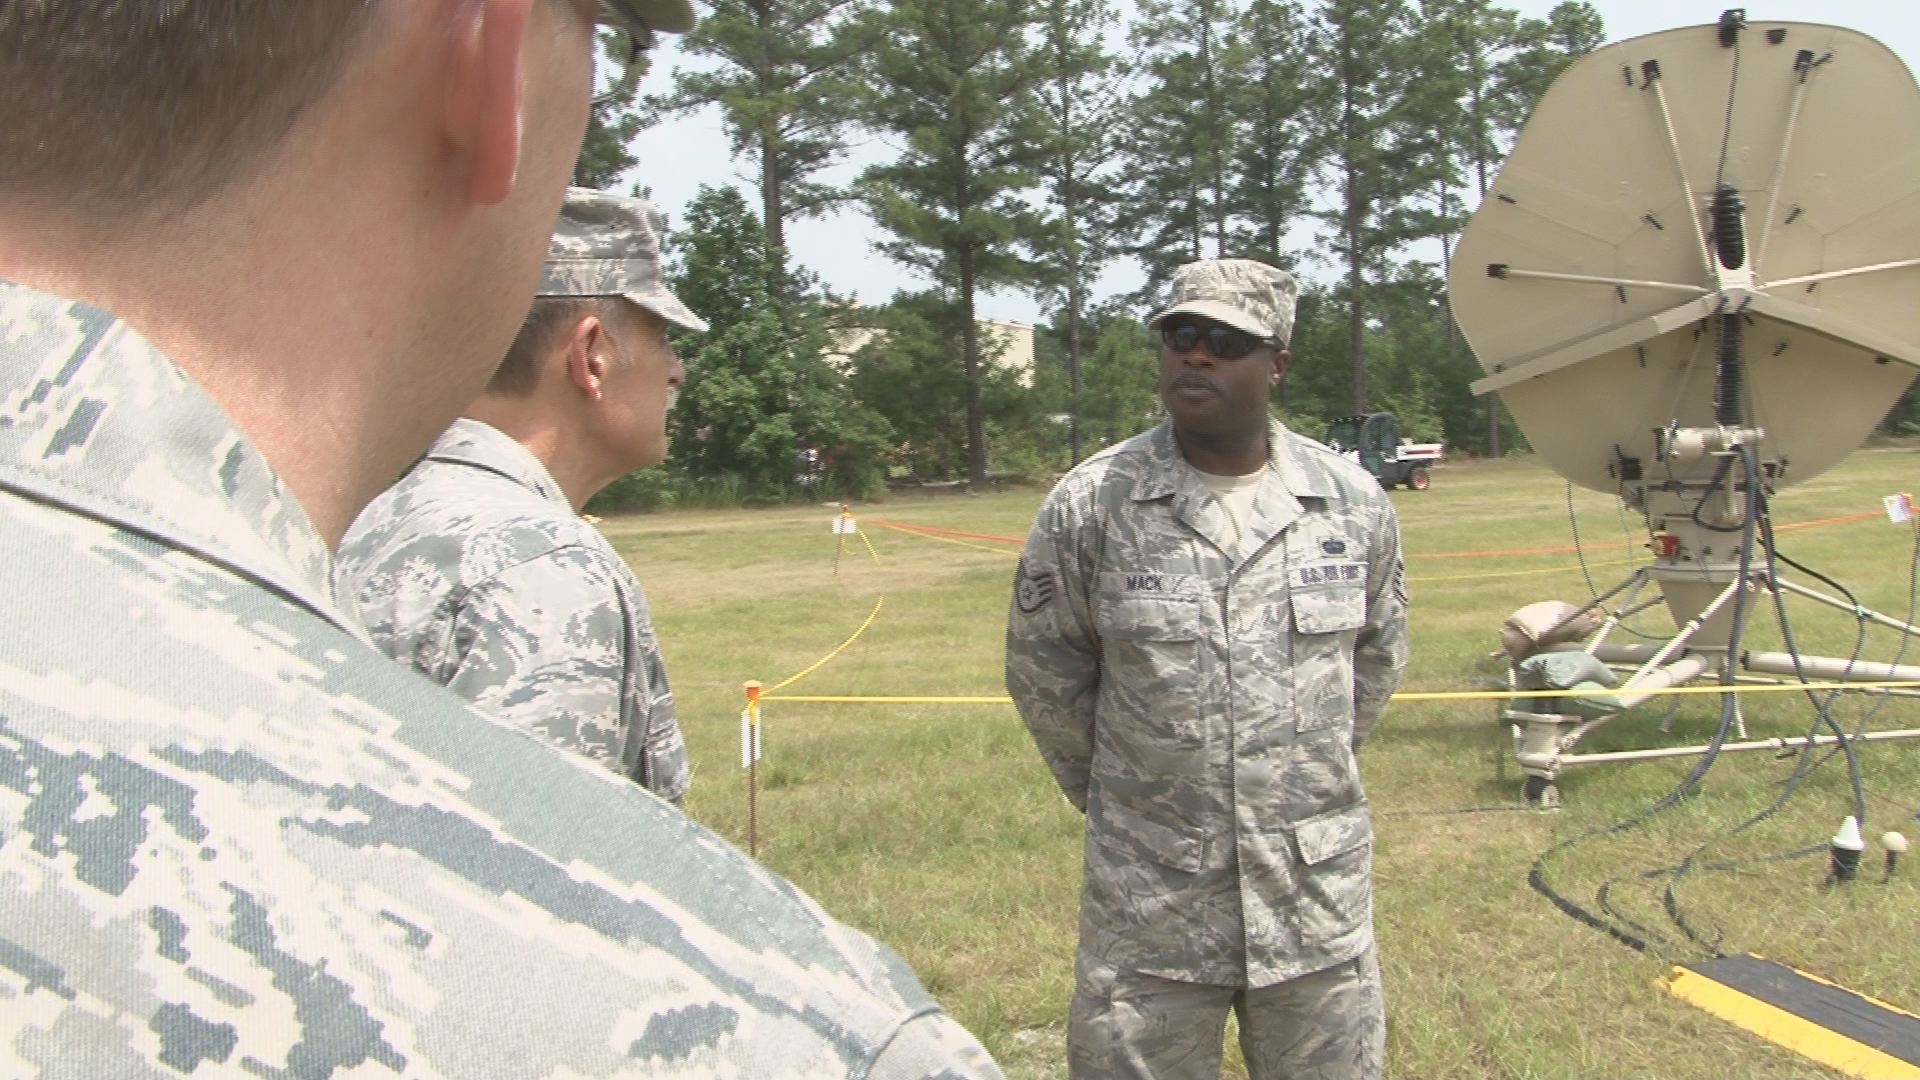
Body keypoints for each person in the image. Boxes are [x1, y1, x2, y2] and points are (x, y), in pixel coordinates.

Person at [0, 3, 1003, 1076]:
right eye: (615, 35)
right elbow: (530, 928)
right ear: (493, 56)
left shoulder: (348, 515)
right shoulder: (544, 571)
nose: (678, 370)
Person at [1004, 258, 1410, 1080]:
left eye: (1226, 342)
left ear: (1277, 365)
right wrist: (1135, 799)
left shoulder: (1350, 503)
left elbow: (1375, 662)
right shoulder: (1094, 503)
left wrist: (1296, 782)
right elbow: (1046, 671)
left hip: (1311, 903)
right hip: (1151, 905)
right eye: (1181, 335)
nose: (1196, 355)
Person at [336, 189, 698, 806]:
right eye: (662, 336)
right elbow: (551, 846)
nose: (676, 370)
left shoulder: (370, 519)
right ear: (591, 357)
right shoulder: (546, 571)